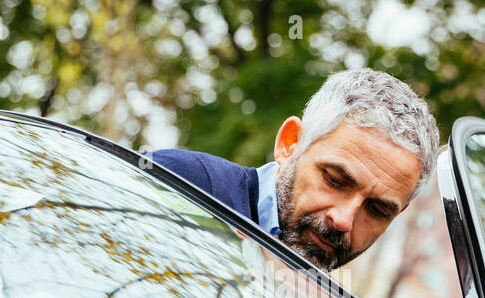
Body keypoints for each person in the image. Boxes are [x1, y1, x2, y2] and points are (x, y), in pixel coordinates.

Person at [147, 68, 440, 272]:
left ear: (398, 214)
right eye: (335, 180)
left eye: (376, 210)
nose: (343, 220)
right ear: (289, 144)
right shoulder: (183, 183)